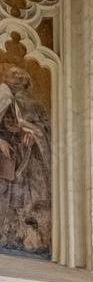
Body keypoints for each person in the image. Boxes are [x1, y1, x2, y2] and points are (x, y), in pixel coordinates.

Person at [0, 66, 51, 255]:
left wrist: (32, 135)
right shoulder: (2, 96)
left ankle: (19, 238)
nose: (13, 119)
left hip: (24, 163)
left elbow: (43, 131)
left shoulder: (30, 103)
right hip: (4, 164)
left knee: (22, 202)